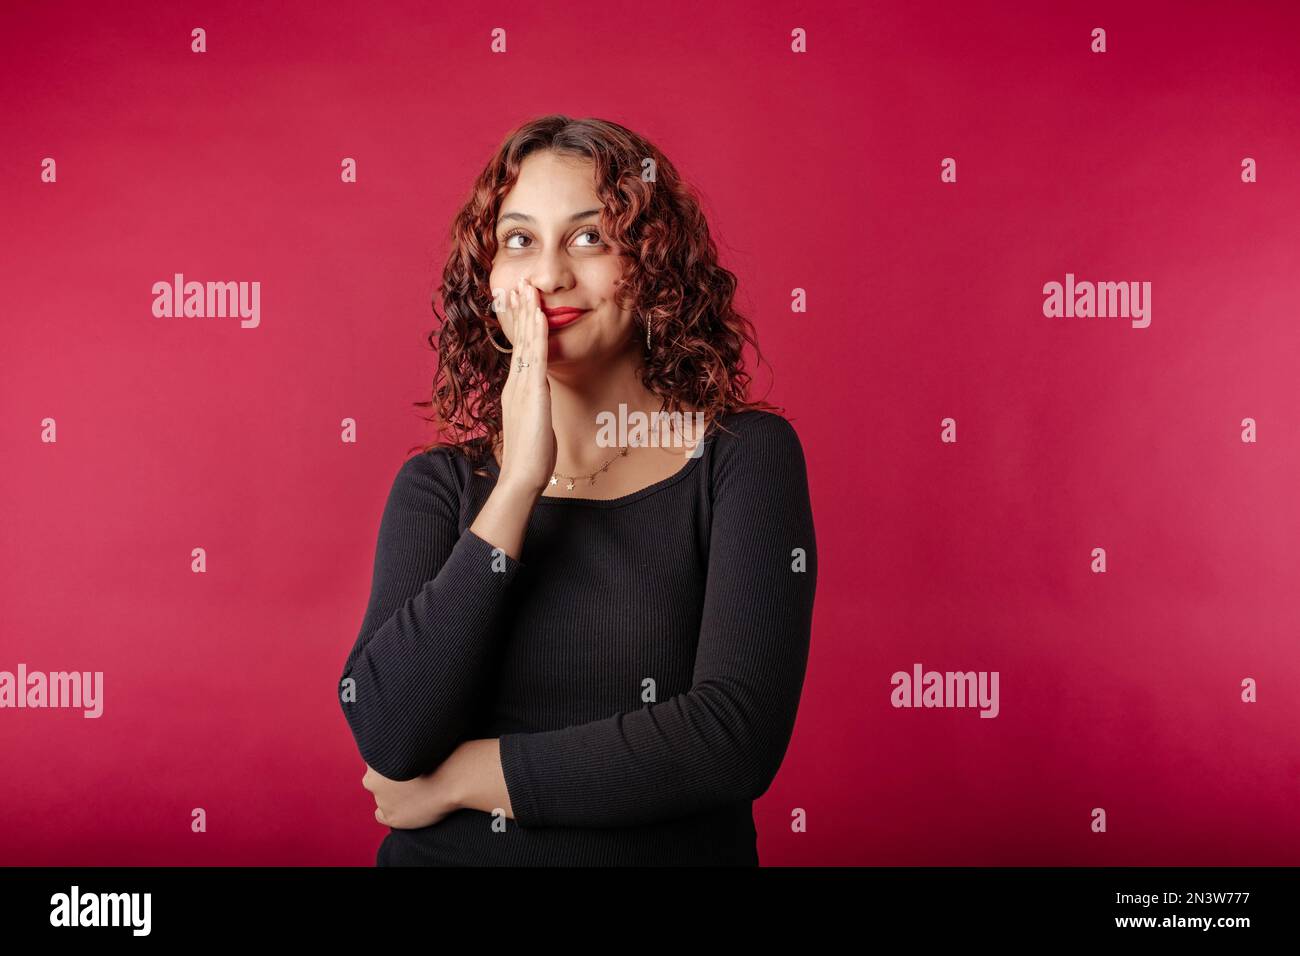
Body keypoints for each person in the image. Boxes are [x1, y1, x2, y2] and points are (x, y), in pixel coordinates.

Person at [338, 115, 818, 865]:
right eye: (520, 240)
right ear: (488, 277)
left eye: (591, 238)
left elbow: (731, 739)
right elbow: (389, 731)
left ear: (655, 264)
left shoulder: (741, 460)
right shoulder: (439, 488)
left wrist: (464, 778)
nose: (551, 275)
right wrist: (519, 483)